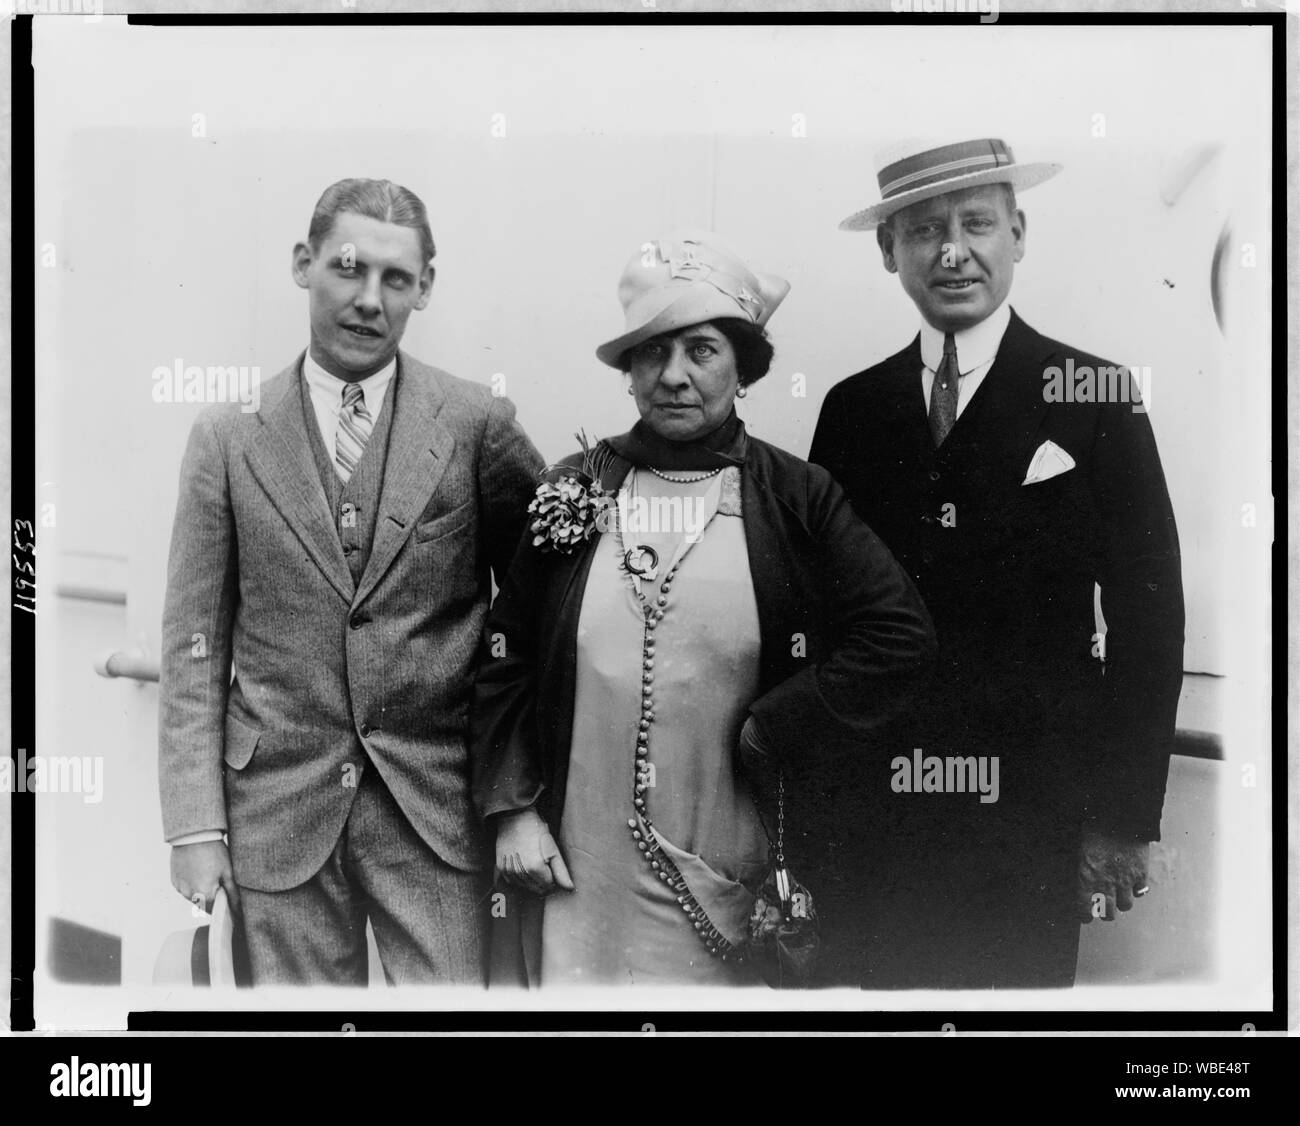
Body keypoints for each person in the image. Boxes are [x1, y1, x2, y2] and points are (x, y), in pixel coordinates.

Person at [471, 231, 935, 987]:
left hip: (723, 852)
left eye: (703, 351)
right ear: (627, 371)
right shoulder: (574, 488)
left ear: (743, 368)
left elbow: (899, 637)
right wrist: (514, 811)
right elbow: (508, 654)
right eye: (652, 352)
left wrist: (774, 725)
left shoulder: (795, 498)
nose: (675, 376)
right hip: (578, 856)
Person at [809, 137, 1186, 988]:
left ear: (1018, 232)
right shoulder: (852, 409)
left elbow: (1148, 618)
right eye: (923, 230)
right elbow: (822, 619)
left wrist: (1121, 819)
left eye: (977, 222)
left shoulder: (1094, 395)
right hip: (880, 810)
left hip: (1034, 813)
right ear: (888, 251)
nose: (953, 250)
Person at [158, 178, 543, 985]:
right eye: (347, 268)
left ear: (424, 289)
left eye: (396, 279)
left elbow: (543, 614)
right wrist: (194, 827)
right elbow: (194, 646)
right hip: (277, 815)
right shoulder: (227, 436)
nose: (369, 299)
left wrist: (518, 790)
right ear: (304, 265)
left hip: (435, 813)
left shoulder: (475, 425)